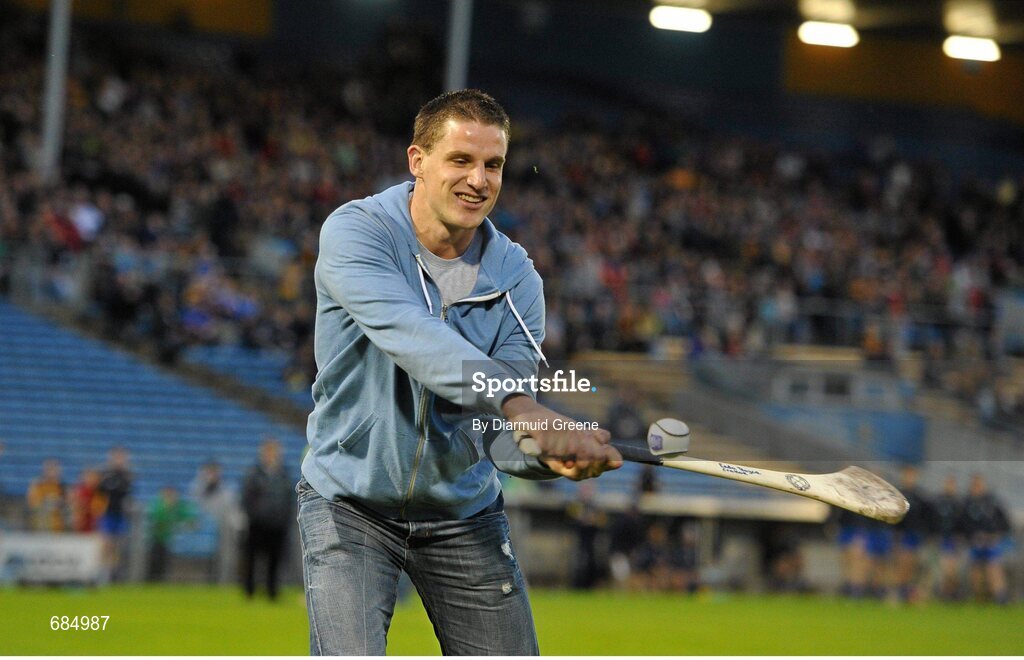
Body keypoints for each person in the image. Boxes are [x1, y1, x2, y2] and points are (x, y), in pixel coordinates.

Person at [297, 89, 621, 655]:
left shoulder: (518, 279)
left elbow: (495, 433)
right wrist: (523, 406)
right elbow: (412, 335)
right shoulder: (357, 233)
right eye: (461, 160)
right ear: (417, 160)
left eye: (493, 165)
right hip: (350, 504)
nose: (479, 180)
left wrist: (547, 455)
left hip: (464, 514)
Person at [242, 438, 294, 601]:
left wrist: (285, 517)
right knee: (252, 558)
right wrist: (253, 514)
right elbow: (247, 497)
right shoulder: (254, 473)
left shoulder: (284, 475)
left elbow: (289, 498)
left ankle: (272, 591)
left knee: (275, 559)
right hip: (257, 523)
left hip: (277, 524)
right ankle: (249, 590)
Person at [959, 473, 1011, 604]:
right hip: (974, 542)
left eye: (979, 484)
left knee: (993, 567)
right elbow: (961, 525)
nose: (977, 487)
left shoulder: (993, 502)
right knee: (975, 570)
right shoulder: (966, 503)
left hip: (991, 542)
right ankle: (979, 597)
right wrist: (971, 536)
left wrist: (995, 535)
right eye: (974, 485)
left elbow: (1005, 523)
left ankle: (1000, 596)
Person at [892, 465, 932, 602]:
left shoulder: (920, 496)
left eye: (912, 475)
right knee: (903, 563)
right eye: (907, 475)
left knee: (912, 565)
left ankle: (907, 593)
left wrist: (925, 533)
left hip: (915, 535)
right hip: (902, 535)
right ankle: (898, 592)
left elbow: (927, 517)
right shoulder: (898, 495)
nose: (909, 478)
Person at [97, 446, 134, 581]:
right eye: (117, 457)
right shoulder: (105, 474)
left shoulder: (127, 475)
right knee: (107, 544)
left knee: (118, 546)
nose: (119, 460)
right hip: (108, 514)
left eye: (122, 457)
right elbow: (100, 491)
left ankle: (114, 573)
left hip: (121, 514)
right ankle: (102, 573)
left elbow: (127, 493)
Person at [146, 486, 195, 582]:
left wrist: (188, 522)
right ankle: (152, 580)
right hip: (156, 538)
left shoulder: (177, 507)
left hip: (166, 539)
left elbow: (189, 517)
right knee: (155, 560)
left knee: (164, 561)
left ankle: (159, 580)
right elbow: (157, 521)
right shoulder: (158, 506)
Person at [930, 473, 965, 601]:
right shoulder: (937, 502)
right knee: (945, 568)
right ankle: (946, 593)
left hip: (954, 541)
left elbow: (963, 523)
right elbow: (931, 520)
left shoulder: (959, 503)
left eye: (952, 484)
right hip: (941, 540)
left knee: (952, 569)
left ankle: (951, 593)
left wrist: (960, 536)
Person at [26, 458, 67, 532]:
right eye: (50, 469)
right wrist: (47, 502)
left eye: (55, 469)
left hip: (58, 526)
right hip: (41, 526)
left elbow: (66, 503)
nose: (53, 472)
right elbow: (33, 503)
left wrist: (59, 502)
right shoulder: (38, 484)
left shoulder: (62, 486)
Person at [69, 467, 105, 533]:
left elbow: (100, 510)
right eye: (88, 477)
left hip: (95, 525)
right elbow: (76, 508)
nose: (91, 480)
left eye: (93, 477)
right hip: (82, 525)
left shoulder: (100, 492)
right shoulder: (80, 491)